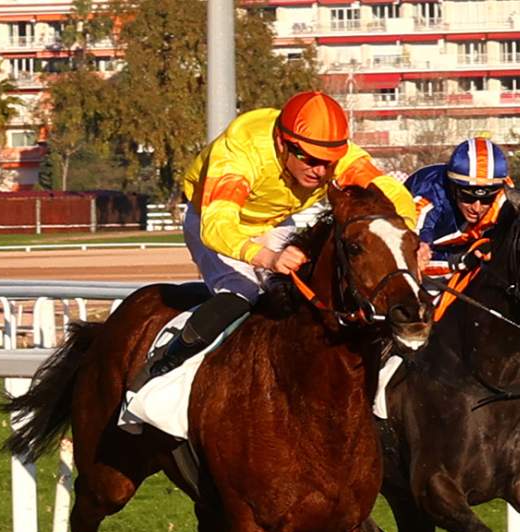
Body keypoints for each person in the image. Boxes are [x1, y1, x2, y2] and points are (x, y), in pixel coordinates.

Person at [132, 90, 418, 389]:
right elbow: (217, 226)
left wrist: (408, 238)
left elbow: (391, 193)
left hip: (275, 220)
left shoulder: (333, 154)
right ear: (283, 143)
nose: (320, 171)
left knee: (299, 293)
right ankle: (166, 362)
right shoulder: (241, 151)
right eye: (309, 159)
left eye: (328, 162)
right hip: (215, 219)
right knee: (243, 292)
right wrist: (268, 258)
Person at [406, 137, 511, 272]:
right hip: (428, 263)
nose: (477, 208)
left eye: (486, 199)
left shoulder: (504, 196)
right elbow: (412, 261)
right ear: (453, 187)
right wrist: (461, 261)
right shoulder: (426, 198)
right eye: (468, 197)